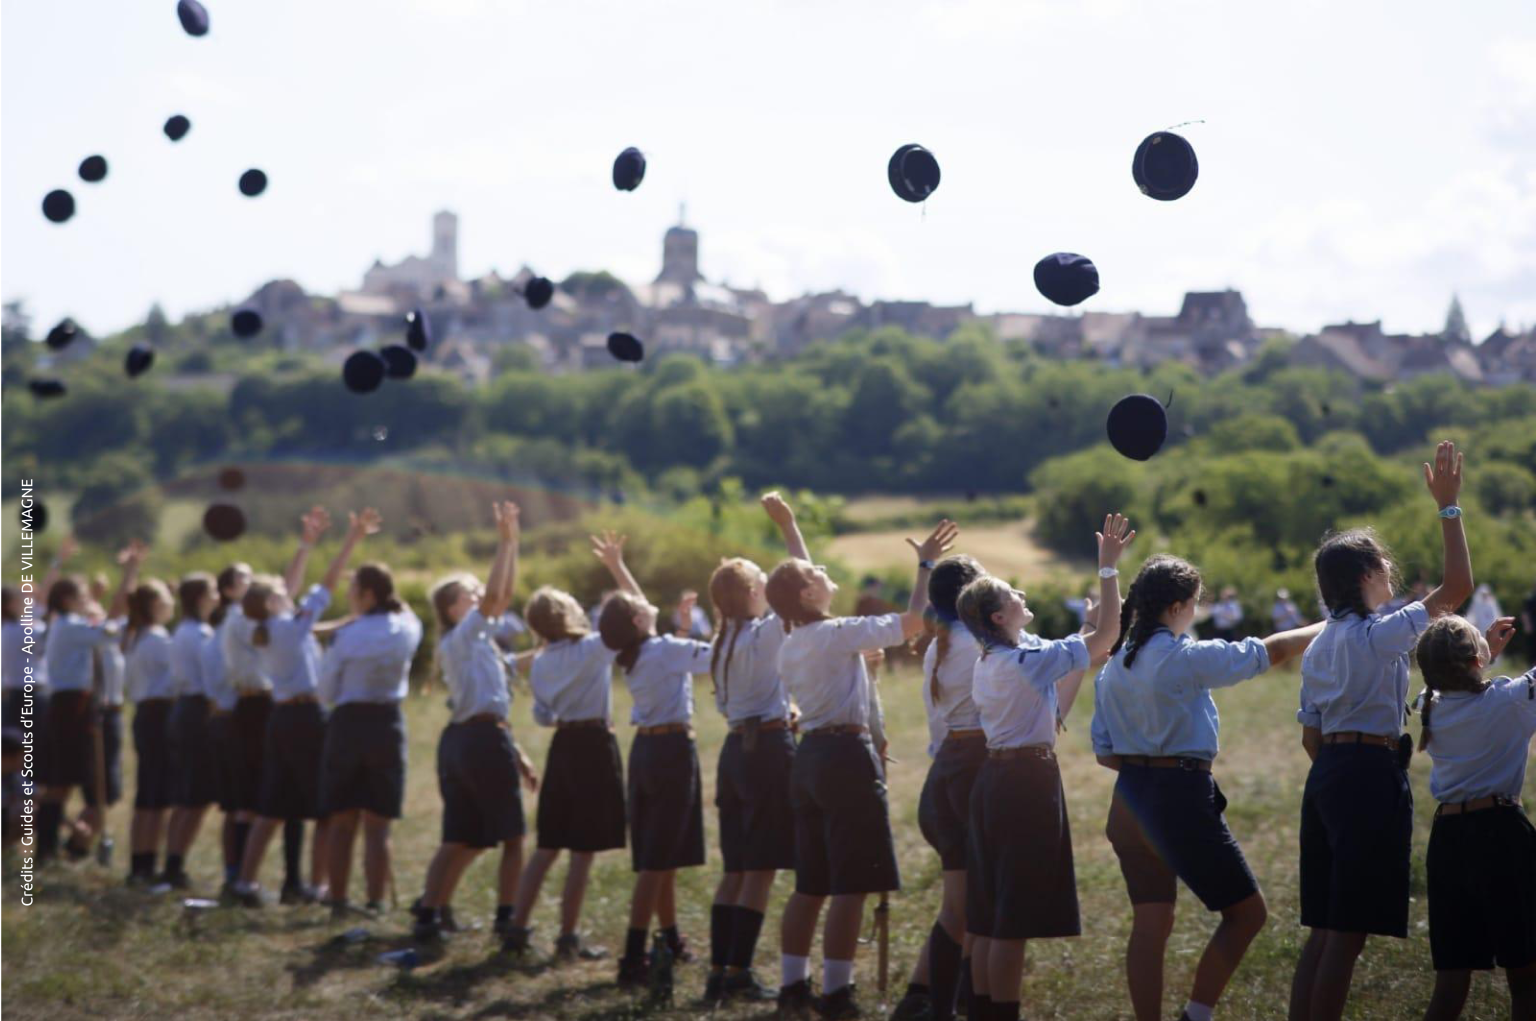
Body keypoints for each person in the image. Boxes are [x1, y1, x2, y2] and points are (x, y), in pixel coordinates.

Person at [1091, 554, 1324, 1021]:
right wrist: (1331, 625)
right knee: (1247, 914)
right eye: (1194, 604)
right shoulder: (1184, 657)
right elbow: (1270, 651)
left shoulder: (1113, 668)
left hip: (1128, 800)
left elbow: (1105, 752)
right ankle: (1195, 1016)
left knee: (1151, 924)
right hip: (1178, 795)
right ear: (1177, 606)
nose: (1195, 613)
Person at [1289, 441, 1473, 1021]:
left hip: (1327, 777)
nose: (1391, 574)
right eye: (1385, 566)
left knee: (1323, 928)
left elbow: (1310, 737)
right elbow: (1458, 586)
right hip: (1367, 775)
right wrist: (1448, 507)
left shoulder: (1320, 644)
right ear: (1369, 575)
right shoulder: (1378, 633)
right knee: (1348, 932)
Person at [767, 518, 956, 1020]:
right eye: (818, 572)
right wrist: (924, 564)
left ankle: (791, 987)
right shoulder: (836, 632)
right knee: (851, 885)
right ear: (808, 592)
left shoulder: (793, 642)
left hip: (808, 757)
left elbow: (833, 664)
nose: (827, 573)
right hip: (845, 759)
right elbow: (913, 621)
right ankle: (836, 992)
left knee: (810, 884)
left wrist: (863, 669)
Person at [958, 514, 1133, 1021]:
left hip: (997, 781)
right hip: (1026, 786)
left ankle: (985, 1013)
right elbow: (1110, 636)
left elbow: (1054, 707)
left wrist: (1082, 631)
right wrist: (1107, 569)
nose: (1021, 595)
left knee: (993, 916)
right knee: (1011, 921)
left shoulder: (996, 660)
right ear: (997, 618)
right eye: (1012, 594)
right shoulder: (1025, 662)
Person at [412, 502, 540, 942]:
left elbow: (498, 691)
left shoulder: (474, 640)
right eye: (467, 593)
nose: (477, 595)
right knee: (512, 837)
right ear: (451, 609)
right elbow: (498, 598)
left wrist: (517, 753)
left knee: (463, 837)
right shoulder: (466, 633)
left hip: (467, 739)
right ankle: (507, 917)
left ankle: (429, 911)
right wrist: (508, 542)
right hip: (479, 740)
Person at [234, 507, 372, 907]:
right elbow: (327, 583)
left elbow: (290, 588)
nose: (287, 591)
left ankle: (245, 882)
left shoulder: (273, 626)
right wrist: (351, 540)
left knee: (272, 808)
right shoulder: (290, 627)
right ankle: (318, 885)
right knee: (326, 808)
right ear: (274, 602)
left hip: (281, 717)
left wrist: (307, 543)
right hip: (306, 718)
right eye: (280, 592)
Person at [703, 492, 806, 1005]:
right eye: (759, 583)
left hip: (732, 753)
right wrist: (788, 528)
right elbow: (802, 580)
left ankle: (719, 970)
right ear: (749, 592)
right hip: (767, 750)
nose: (768, 588)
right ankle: (739, 972)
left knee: (736, 869)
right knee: (760, 870)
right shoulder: (764, 634)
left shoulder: (722, 641)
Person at [597, 538, 711, 987]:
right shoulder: (663, 650)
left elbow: (635, 607)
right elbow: (719, 655)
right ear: (638, 621)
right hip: (670, 754)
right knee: (656, 861)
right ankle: (632, 956)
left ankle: (670, 938)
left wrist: (617, 565)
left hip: (645, 752)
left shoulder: (640, 649)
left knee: (662, 857)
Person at [1412, 614, 1535, 1021]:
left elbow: (1444, 682)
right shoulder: (1511, 701)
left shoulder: (1430, 705)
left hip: (1448, 841)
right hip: (1501, 836)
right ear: (1475, 661)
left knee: (1449, 985)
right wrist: (1485, 653)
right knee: (1525, 978)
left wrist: (1482, 653)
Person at [505, 568, 627, 960]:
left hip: (563, 747)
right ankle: (567, 937)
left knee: (548, 845)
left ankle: (518, 928)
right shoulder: (592, 648)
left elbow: (542, 715)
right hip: (594, 745)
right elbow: (633, 613)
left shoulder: (539, 663)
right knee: (583, 850)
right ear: (567, 614)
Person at [892, 553, 988, 1021]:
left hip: (942, 777)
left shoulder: (941, 645)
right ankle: (942, 1005)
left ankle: (926, 995)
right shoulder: (978, 644)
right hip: (967, 777)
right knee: (966, 907)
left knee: (963, 903)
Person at [315, 511, 412, 919]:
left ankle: (338, 900)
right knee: (378, 822)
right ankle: (374, 901)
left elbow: (326, 690)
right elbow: (407, 613)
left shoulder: (348, 636)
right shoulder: (409, 628)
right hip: (387, 721)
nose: (350, 596)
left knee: (342, 820)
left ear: (368, 594)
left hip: (349, 721)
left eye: (355, 590)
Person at [37, 542, 140, 863]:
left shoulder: (67, 626)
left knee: (62, 781)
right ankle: (51, 849)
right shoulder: (68, 627)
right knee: (65, 781)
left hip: (71, 704)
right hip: (73, 706)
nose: (88, 603)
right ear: (68, 600)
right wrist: (129, 579)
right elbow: (113, 623)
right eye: (83, 598)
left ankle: (52, 848)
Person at [163, 572, 221, 888]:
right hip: (197, 710)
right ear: (199, 597)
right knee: (195, 796)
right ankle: (175, 862)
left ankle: (172, 860)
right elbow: (211, 679)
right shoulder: (199, 634)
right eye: (212, 591)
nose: (216, 597)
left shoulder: (183, 631)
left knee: (187, 795)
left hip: (183, 708)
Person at [122, 576, 177, 885]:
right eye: (167, 600)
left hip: (145, 712)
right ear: (156, 606)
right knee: (157, 796)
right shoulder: (157, 638)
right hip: (159, 713)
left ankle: (139, 862)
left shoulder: (136, 636)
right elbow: (176, 676)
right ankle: (148, 863)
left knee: (147, 793)